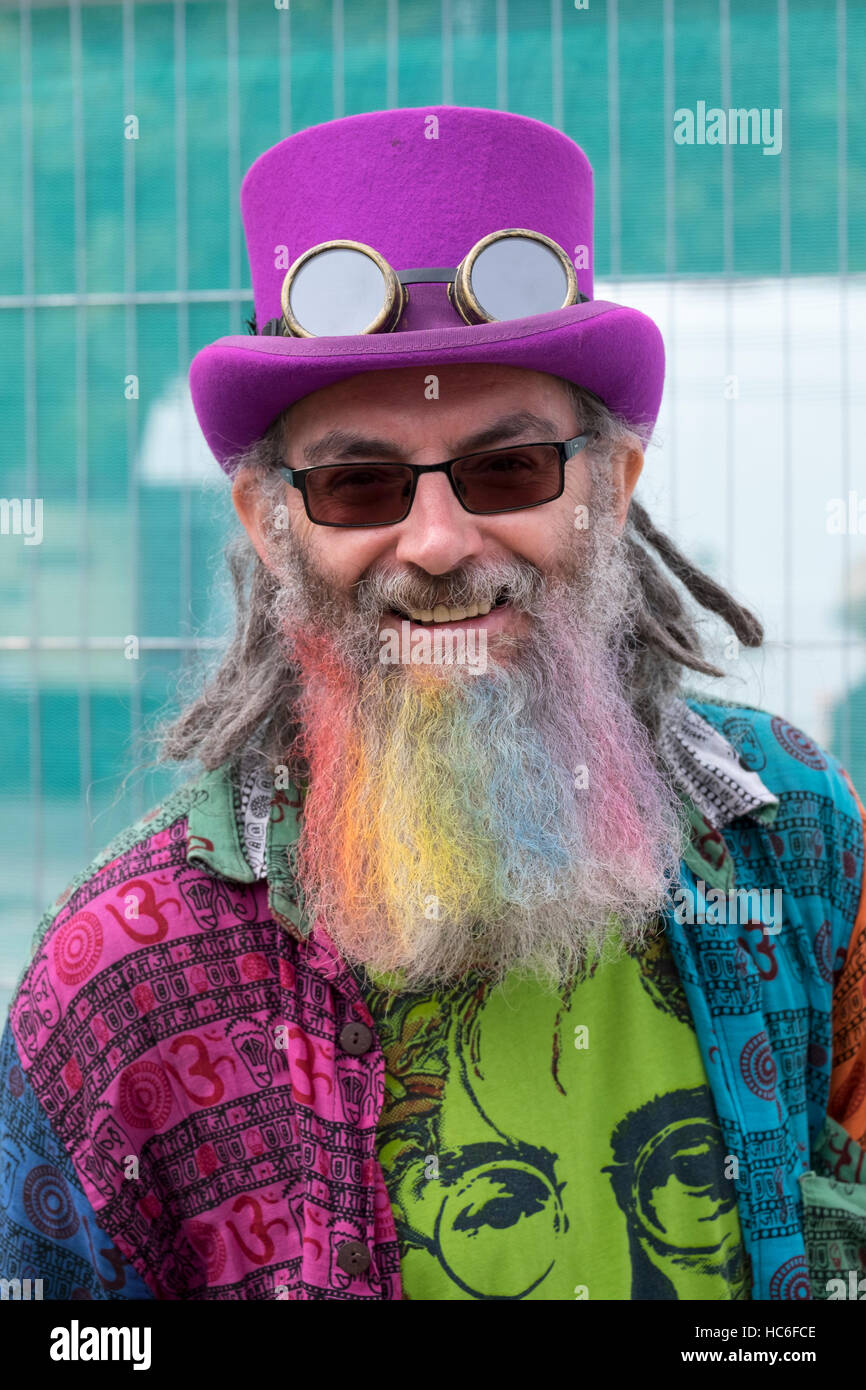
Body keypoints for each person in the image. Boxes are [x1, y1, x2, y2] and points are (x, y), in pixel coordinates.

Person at [1, 105, 865, 1302]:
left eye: (508, 468)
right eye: (359, 483)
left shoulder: (796, 839)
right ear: (270, 526)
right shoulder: (118, 988)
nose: (440, 540)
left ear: (608, 489)